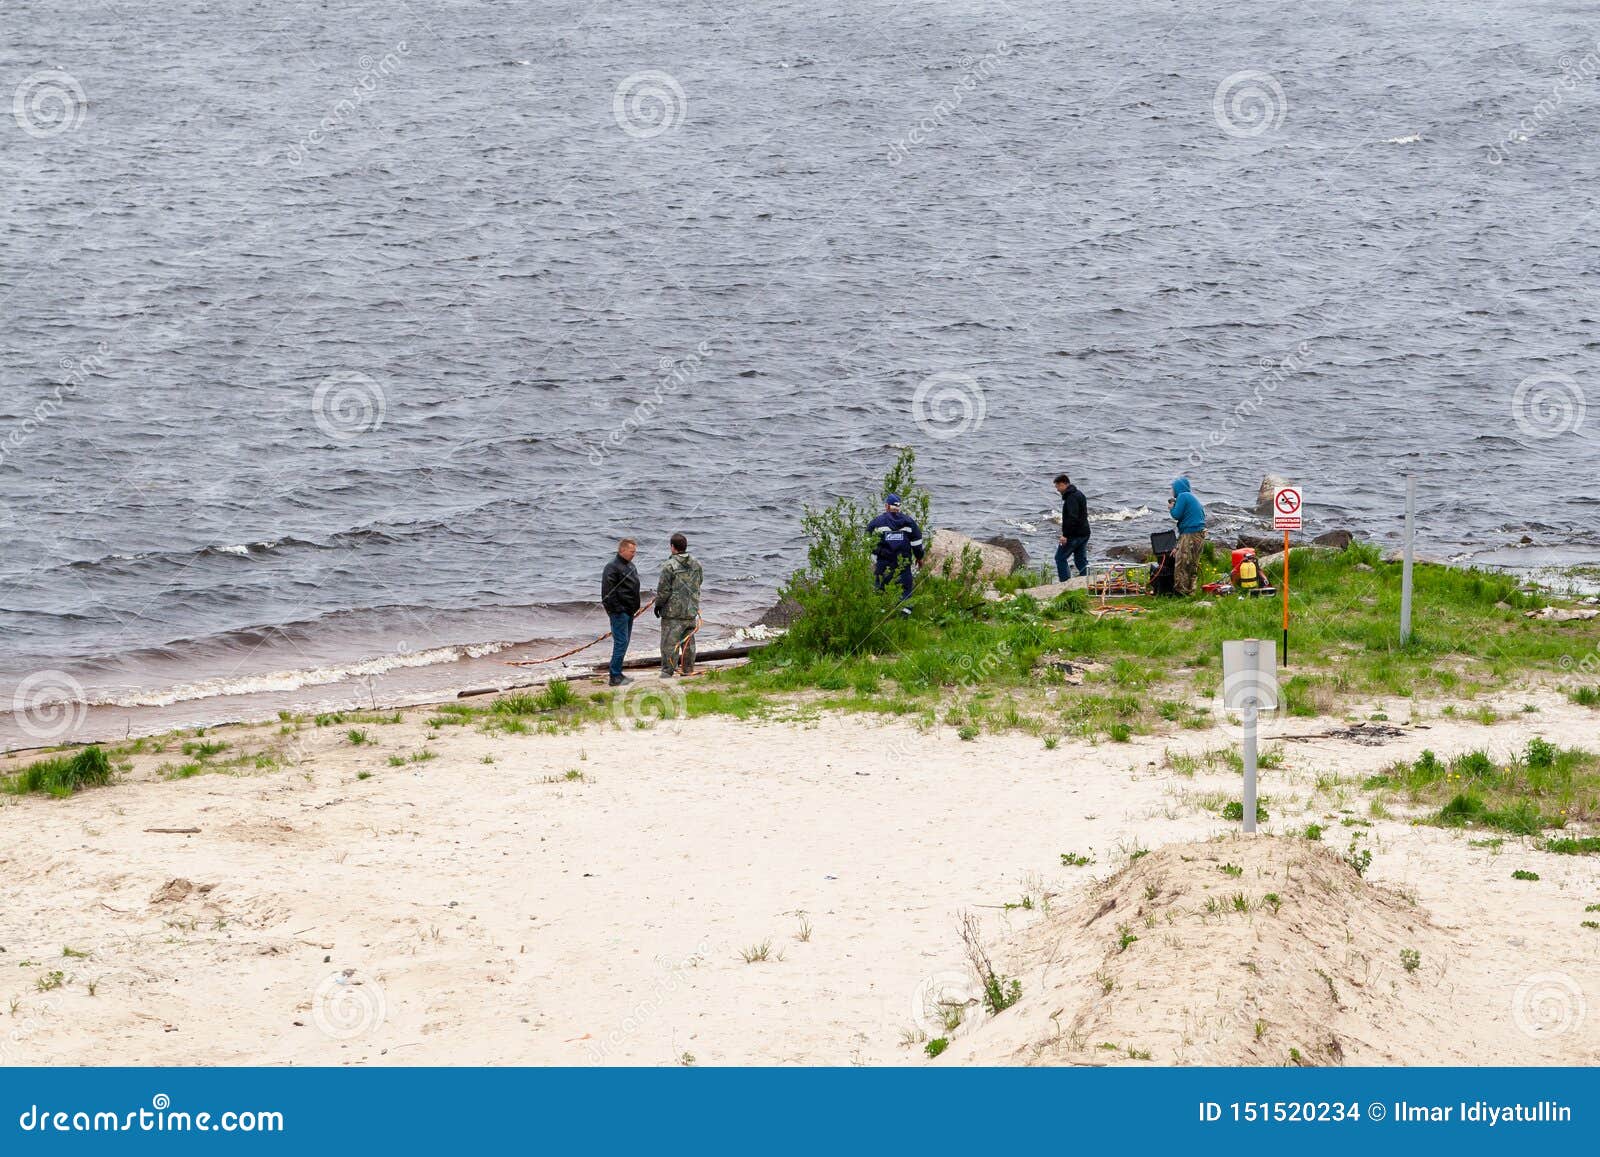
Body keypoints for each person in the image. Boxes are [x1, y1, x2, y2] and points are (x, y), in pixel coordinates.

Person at [867, 493, 926, 613]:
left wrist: (878, 552)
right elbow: (917, 543)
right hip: (903, 563)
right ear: (899, 507)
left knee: (880, 590)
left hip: (884, 562)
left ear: (887, 506)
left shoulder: (877, 522)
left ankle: (881, 614)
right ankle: (904, 615)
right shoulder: (909, 522)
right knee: (905, 591)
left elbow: (868, 542)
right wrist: (919, 557)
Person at [655, 533, 703, 677]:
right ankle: (688, 670)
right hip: (690, 610)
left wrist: (658, 605)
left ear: (672, 547)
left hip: (673, 613)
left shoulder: (669, 565)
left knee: (669, 643)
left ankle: (667, 671)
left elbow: (664, 590)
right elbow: (699, 582)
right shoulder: (696, 563)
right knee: (688, 643)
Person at [600, 538, 640, 687]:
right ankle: (614, 675)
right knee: (621, 642)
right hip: (619, 612)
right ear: (622, 550)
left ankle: (618, 672)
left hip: (629, 611)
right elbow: (607, 593)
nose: (634, 554)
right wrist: (617, 610)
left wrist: (634, 607)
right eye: (631, 551)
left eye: (635, 552)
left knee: (625, 642)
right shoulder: (612, 567)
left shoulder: (630, 565)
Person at [1168, 477, 1207, 596]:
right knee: (1192, 564)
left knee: (1182, 563)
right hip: (1199, 534)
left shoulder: (1183, 496)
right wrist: (1177, 546)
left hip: (1190, 534)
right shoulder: (1191, 498)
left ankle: (1181, 592)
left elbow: (1176, 515)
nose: (1171, 491)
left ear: (1178, 488)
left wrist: (1171, 508)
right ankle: (1191, 591)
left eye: (1172, 488)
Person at [1053, 473, 1090, 580]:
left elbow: (1072, 518)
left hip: (1074, 535)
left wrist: (1065, 535)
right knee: (1080, 560)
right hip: (1084, 532)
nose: (1057, 490)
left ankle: (1065, 583)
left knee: (1060, 558)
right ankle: (1087, 581)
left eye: (1058, 486)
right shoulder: (1079, 494)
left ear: (1064, 484)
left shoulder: (1071, 498)